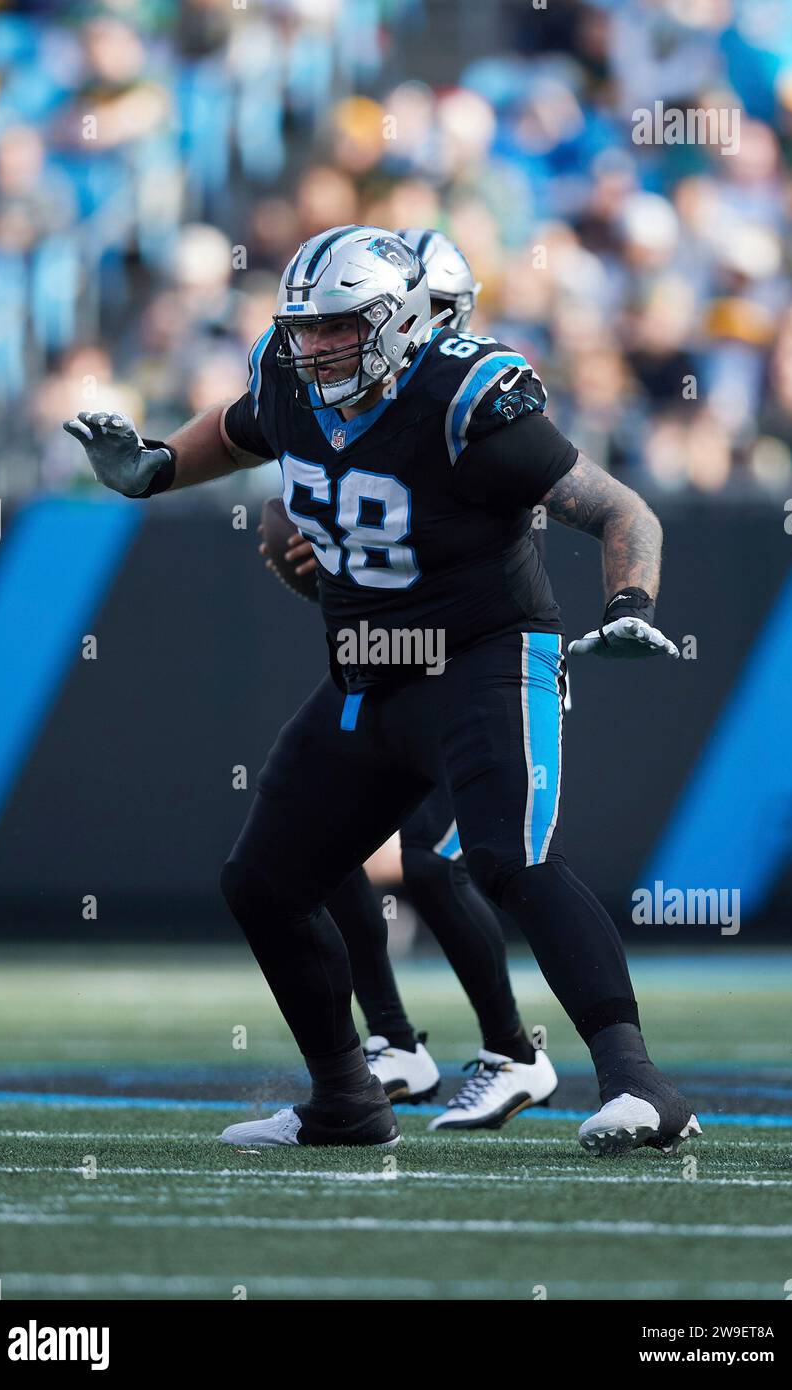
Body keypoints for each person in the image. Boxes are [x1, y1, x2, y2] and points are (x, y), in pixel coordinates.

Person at [64, 224, 700, 1157]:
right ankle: (348, 1100)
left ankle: (641, 1087)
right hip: (369, 671)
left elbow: (618, 508)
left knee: (504, 860)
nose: (311, 347)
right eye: (302, 329)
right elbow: (241, 430)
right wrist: (155, 468)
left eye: (336, 329)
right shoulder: (290, 380)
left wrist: (632, 599)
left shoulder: (463, 400)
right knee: (265, 882)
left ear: (401, 322)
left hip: (487, 656)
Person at [262, 228, 557, 1132]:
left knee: (442, 860)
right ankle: (395, 1039)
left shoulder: (467, 396)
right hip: (386, 663)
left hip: (471, 657)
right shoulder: (332, 394)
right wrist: (294, 541)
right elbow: (298, 492)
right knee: (326, 850)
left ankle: (517, 1050)